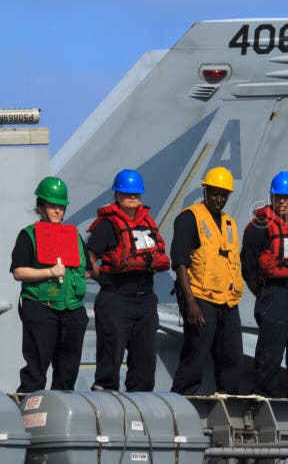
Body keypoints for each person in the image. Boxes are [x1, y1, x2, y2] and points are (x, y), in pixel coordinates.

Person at [87, 169, 170, 392]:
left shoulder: (148, 224)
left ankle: (140, 409)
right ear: (116, 196)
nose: (132, 197)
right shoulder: (106, 226)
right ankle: (106, 406)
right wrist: (104, 278)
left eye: (135, 194)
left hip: (145, 300)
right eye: (126, 193)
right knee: (110, 361)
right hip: (116, 299)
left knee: (144, 363)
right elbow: (88, 260)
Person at [241, 171, 288, 398]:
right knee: (270, 353)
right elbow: (248, 269)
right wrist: (265, 294)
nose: (282, 201)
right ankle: (264, 397)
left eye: (287, 197)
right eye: (278, 197)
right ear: (271, 197)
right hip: (274, 293)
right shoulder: (258, 228)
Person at [11, 176, 91, 392]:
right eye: (52, 206)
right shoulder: (29, 235)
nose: (58, 211)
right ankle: (25, 416)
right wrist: (50, 272)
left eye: (61, 207)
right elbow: (18, 271)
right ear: (40, 207)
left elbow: (88, 270)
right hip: (40, 306)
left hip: (72, 309)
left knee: (68, 373)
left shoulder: (74, 235)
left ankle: (60, 419)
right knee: (35, 373)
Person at [170, 166, 244, 395]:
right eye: (214, 193)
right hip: (201, 298)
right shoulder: (189, 218)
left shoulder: (229, 223)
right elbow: (180, 263)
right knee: (196, 353)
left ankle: (229, 403)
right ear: (205, 191)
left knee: (232, 356)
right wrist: (190, 303)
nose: (219, 199)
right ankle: (184, 398)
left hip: (228, 301)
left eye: (224, 195)